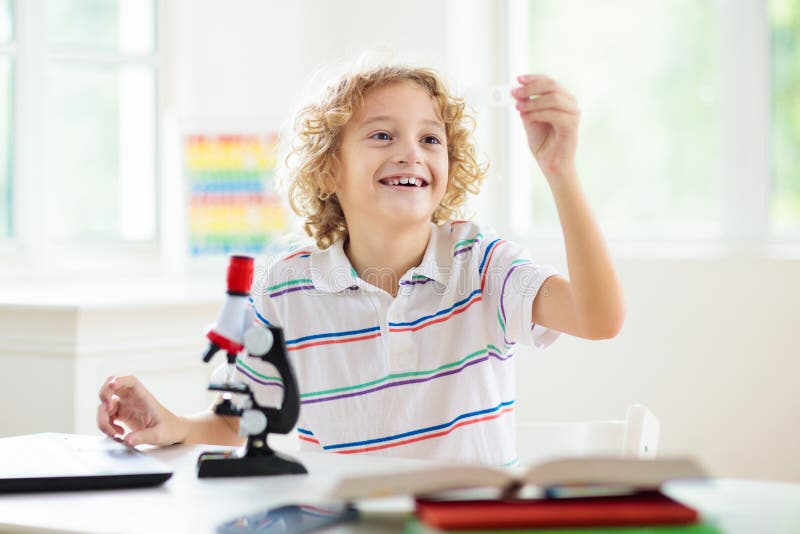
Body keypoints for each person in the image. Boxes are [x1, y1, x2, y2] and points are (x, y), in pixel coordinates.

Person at [97, 64, 625, 466]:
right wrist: (169, 424)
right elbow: (237, 423)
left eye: (430, 139)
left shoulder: (483, 266)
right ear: (329, 171)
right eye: (381, 135)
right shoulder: (284, 289)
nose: (410, 152)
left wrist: (560, 172)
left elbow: (599, 318)